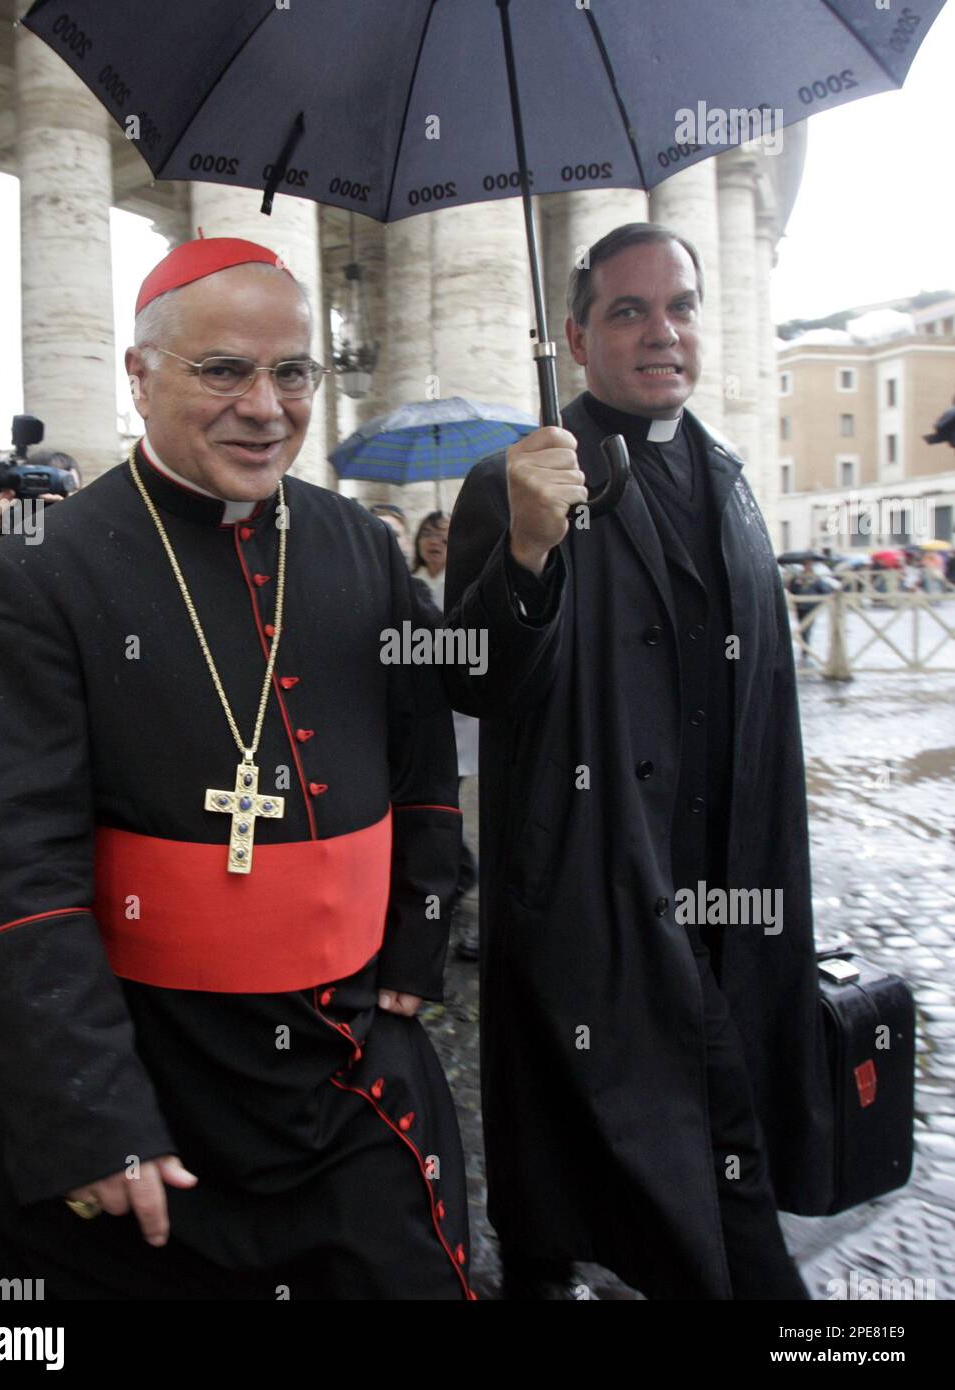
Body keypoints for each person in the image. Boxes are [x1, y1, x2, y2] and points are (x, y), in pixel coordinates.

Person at [0, 236, 473, 1300]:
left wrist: (419, 939)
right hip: (157, 1070)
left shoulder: (356, 545)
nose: (267, 405)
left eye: (292, 371)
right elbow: (23, 873)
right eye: (223, 370)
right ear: (139, 376)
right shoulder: (45, 576)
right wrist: (91, 1109)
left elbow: (427, 758)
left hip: (351, 1061)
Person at [444, 223, 831, 1300]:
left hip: (727, 903)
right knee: (728, 1240)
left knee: (612, 1186)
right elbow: (468, 674)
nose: (662, 331)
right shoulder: (513, 480)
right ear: (574, 335)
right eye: (628, 310)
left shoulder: (728, 476)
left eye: (681, 306)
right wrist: (526, 551)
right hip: (602, 900)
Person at [412, 512, 480, 960]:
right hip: (414, 716)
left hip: (454, 719)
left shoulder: (465, 586)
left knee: (443, 804)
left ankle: (458, 873)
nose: (435, 541)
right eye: (429, 533)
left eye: (445, 534)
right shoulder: (405, 581)